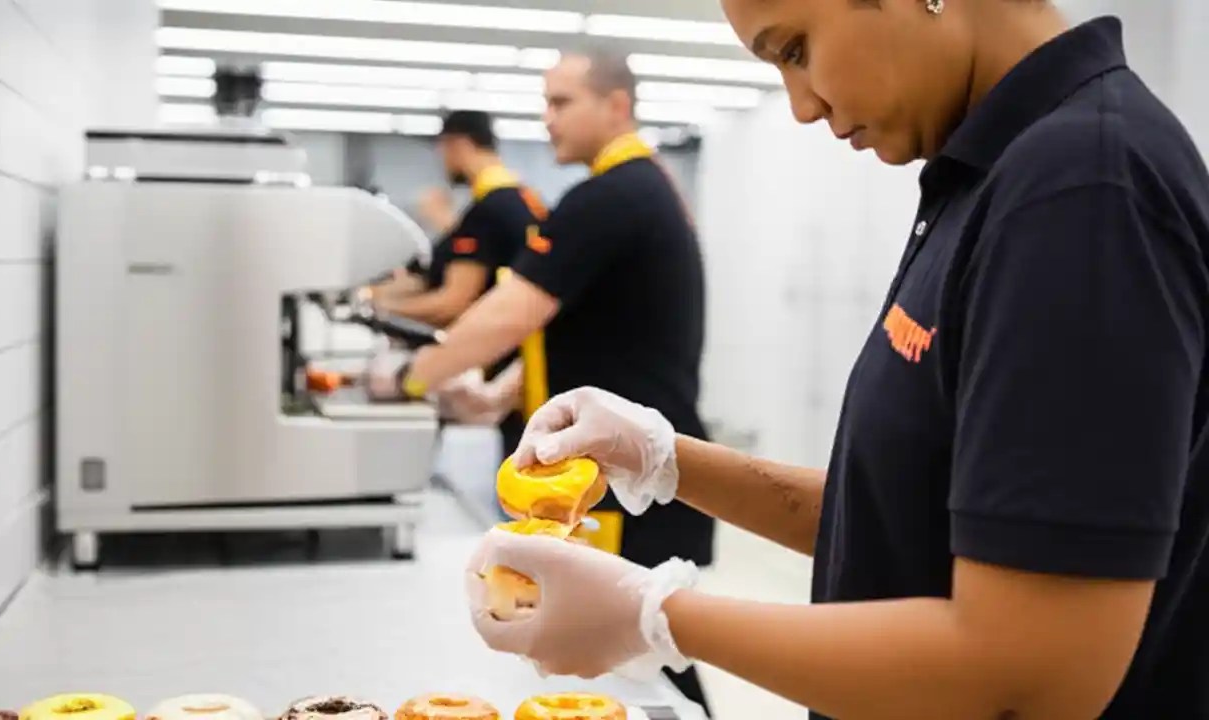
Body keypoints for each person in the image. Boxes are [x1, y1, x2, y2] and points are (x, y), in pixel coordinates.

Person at [462, 4, 1209, 720]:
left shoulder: (1080, 191)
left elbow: (1025, 671)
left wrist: (656, 618)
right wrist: (665, 459)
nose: (802, 106)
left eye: (794, 49)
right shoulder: (989, 173)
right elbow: (910, 520)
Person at [371, 50, 716, 713]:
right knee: (642, 663)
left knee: (644, 666)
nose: (546, 118)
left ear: (616, 106)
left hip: (622, 486)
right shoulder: (640, 192)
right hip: (631, 473)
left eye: (561, 103)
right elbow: (599, 334)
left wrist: (408, 380)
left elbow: (512, 313)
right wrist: (501, 395)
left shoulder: (611, 197)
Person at [367, 110, 545, 456]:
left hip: (506, 375)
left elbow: (453, 301)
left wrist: (378, 310)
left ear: (458, 145)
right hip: (528, 375)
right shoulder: (523, 201)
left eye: (442, 150)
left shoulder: (490, 210)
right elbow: (433, 278)